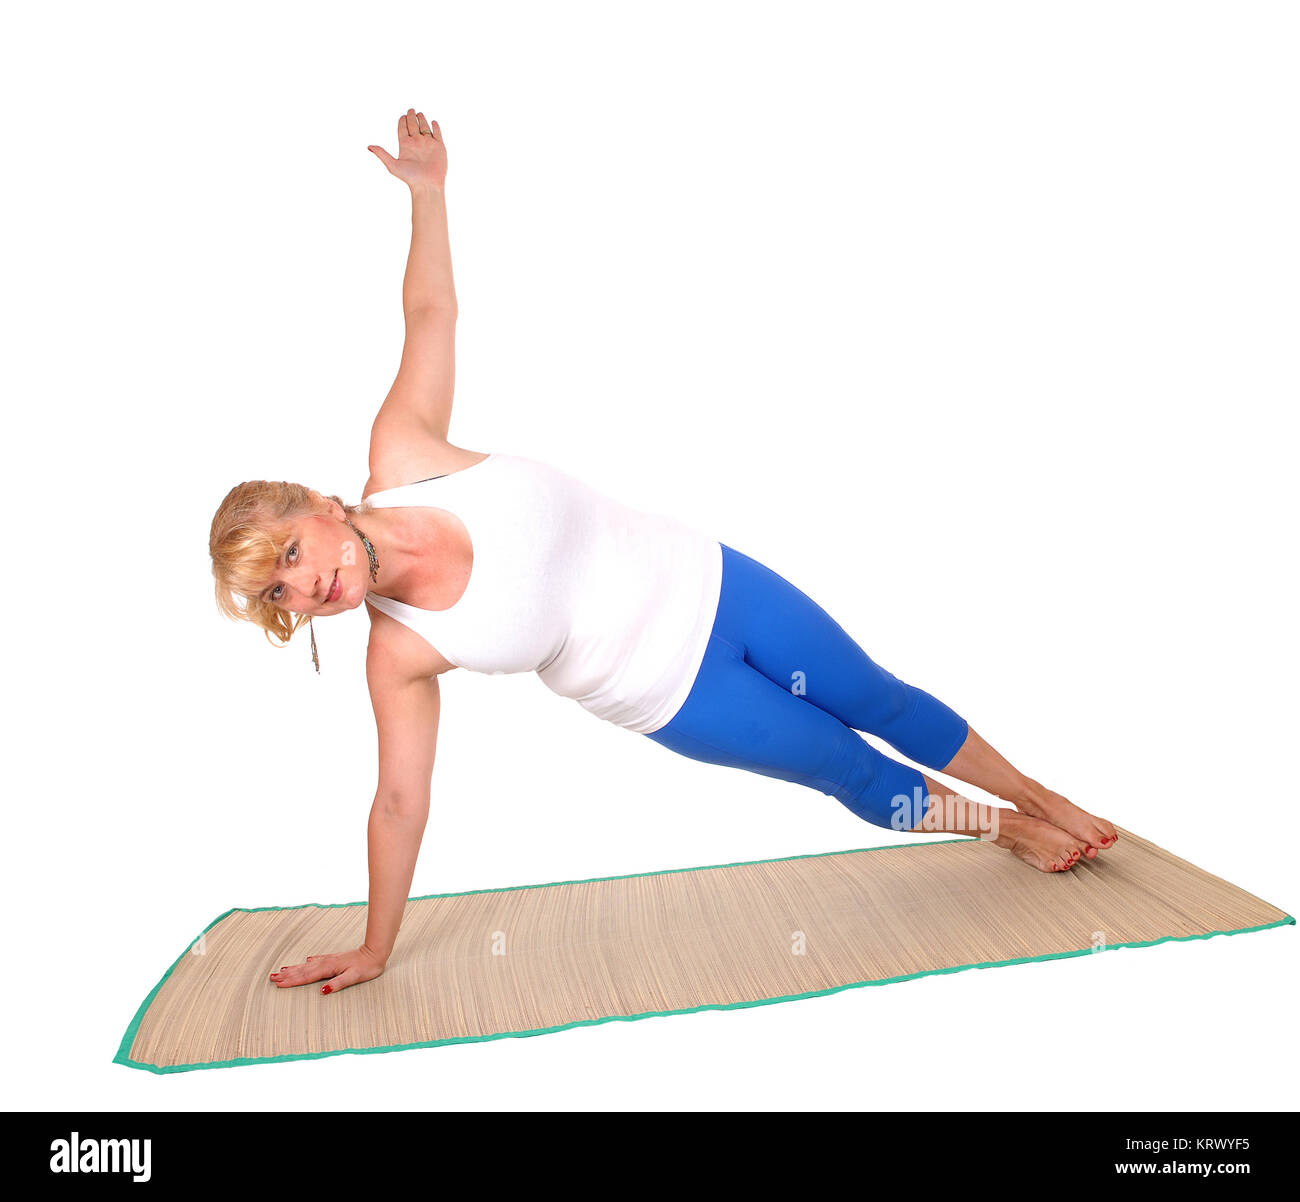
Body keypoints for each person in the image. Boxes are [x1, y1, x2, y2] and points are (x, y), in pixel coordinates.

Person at [209, 110, 1118, 997]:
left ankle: (1042, 798)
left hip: (715, 582)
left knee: (877, 695)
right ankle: (998, 829)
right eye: (281, 593)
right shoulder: (397, 653)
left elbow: (431, 312)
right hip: (674, 693)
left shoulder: (405, 453)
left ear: (321, 505)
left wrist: (428, 194)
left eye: (290, 550)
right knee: (850, 770)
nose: (306, 583)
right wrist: (373, 949)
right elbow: (399, 804)